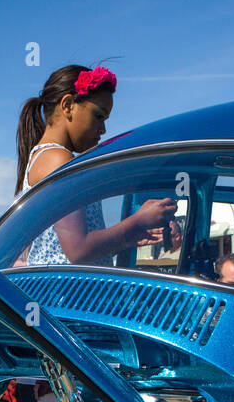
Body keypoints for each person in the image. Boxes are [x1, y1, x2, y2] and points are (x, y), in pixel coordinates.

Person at [16, 65, 175, 266]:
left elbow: (70, 248)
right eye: (98, 116)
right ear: (68, 106)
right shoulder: (58, 159)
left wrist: (126, 238)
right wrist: (138, 221)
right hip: (66, 292)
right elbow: (77, 250)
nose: (103, 129)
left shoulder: (48, 157)